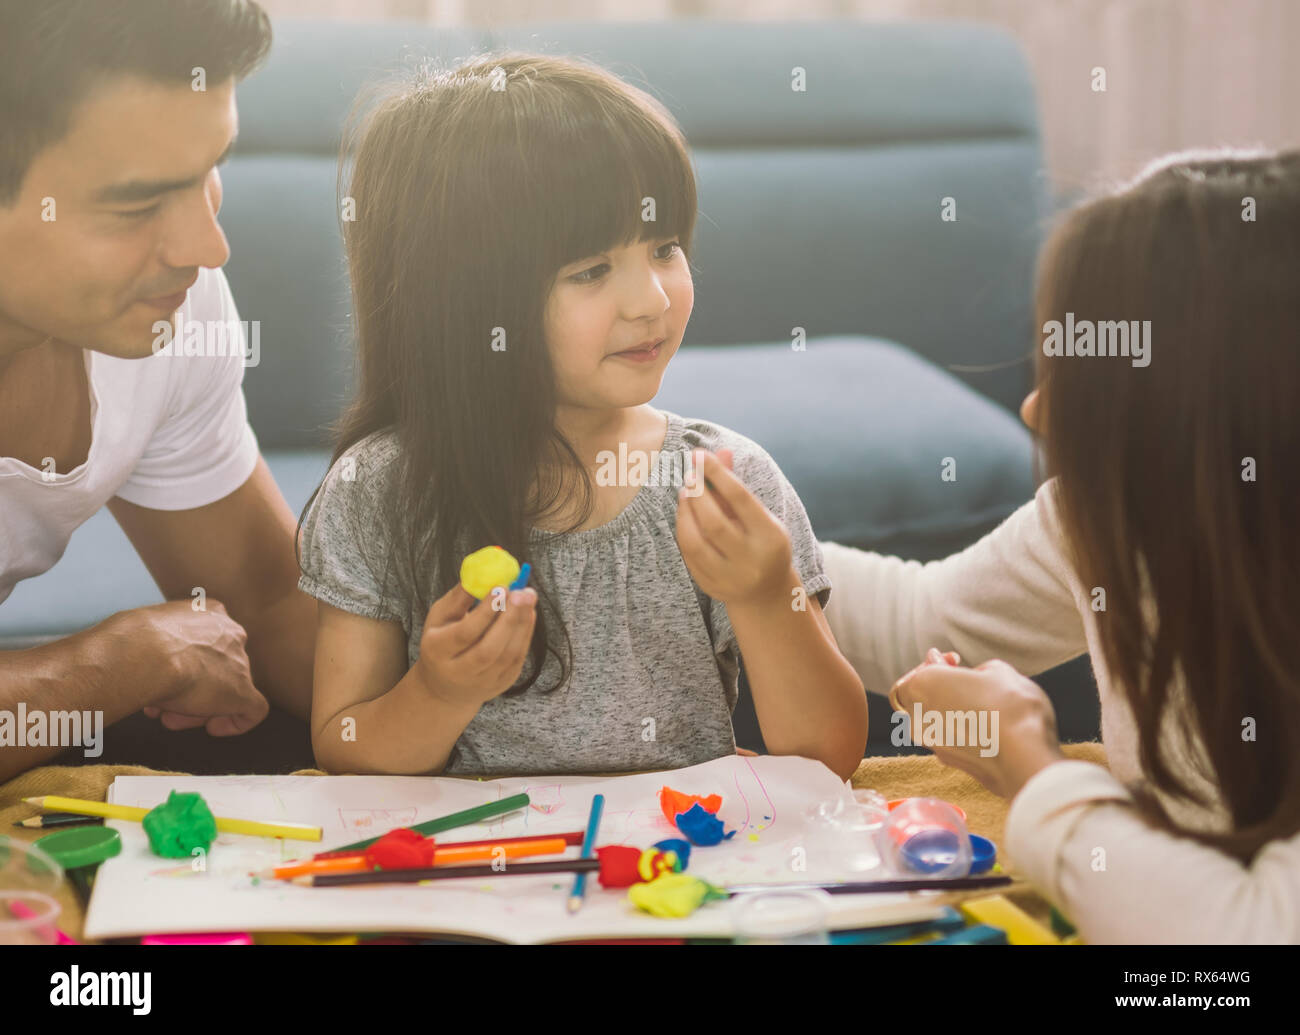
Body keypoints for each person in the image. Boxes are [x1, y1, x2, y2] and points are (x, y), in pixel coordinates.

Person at [297, 55, 866, 778]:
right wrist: (440, 691)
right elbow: (343, 749)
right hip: (477, 879)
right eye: (592, 270)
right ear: (467, 303)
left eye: (664, 248)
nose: (651, 299)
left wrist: (765, 592)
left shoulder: (723, 482)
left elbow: (829, 757)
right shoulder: (375, 492)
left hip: (677, 871)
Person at [824, 150, 1300, 943]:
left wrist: (1024, 762)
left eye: (1086, 377)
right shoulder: (1118, 514)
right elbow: (927, 619)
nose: (1038, 412)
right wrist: (752, 544)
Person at [0, 1, 316, 781]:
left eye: (211, 169)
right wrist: (124, 660)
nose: (207, 248)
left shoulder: (173, 310)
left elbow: (268, 608)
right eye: (136, 206)